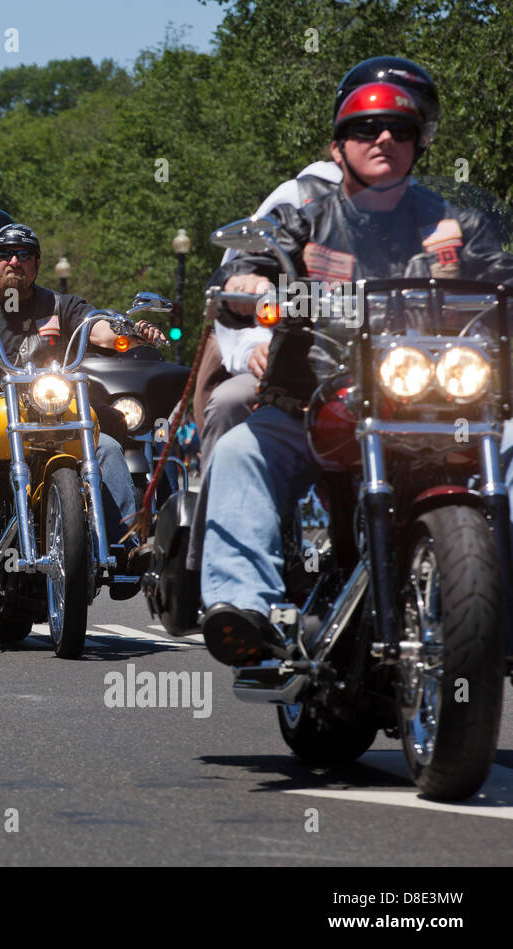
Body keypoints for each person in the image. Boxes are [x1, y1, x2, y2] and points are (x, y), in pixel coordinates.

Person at [199, 65, 513, 664]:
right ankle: (245, 608)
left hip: (442, 403)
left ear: (420, 141)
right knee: (242, 452)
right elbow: (241, 273)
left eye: (399, 127)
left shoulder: (452, 222)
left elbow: (502, 279)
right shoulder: (305, 219)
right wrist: (252, 288)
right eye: (366, 127)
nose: (384, 139)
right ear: (340, 144)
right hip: (315, 402)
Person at [0, 224, 162, 597]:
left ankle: (127, 549)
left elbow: (96, 329)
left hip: (52, 418)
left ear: (38, 264)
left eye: (25, 255)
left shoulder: (60, 306)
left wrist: (130, 331)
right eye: (5, 254)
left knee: (106, 446)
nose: (15, 261)